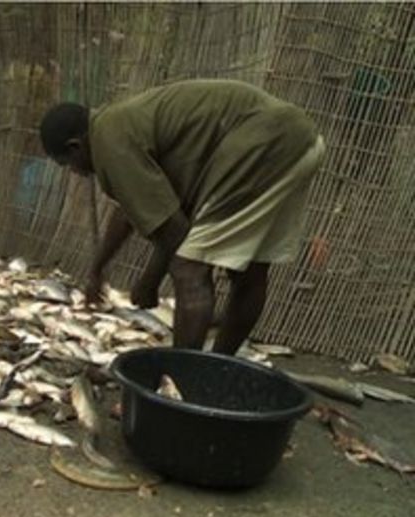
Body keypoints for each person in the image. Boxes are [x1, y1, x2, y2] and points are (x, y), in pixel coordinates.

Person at [40, 79, 325, 354]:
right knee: (250, 271)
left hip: (263, 144)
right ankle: (217, 372)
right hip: (301, 140)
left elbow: (174, 232)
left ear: (75, 146)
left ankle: (182, 381)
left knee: (189, 269)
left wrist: (149, 282)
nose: (75, 173)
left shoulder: (108, 142)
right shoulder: (116, 124)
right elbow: (127, 210)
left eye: (67, 165)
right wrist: (98, 268)